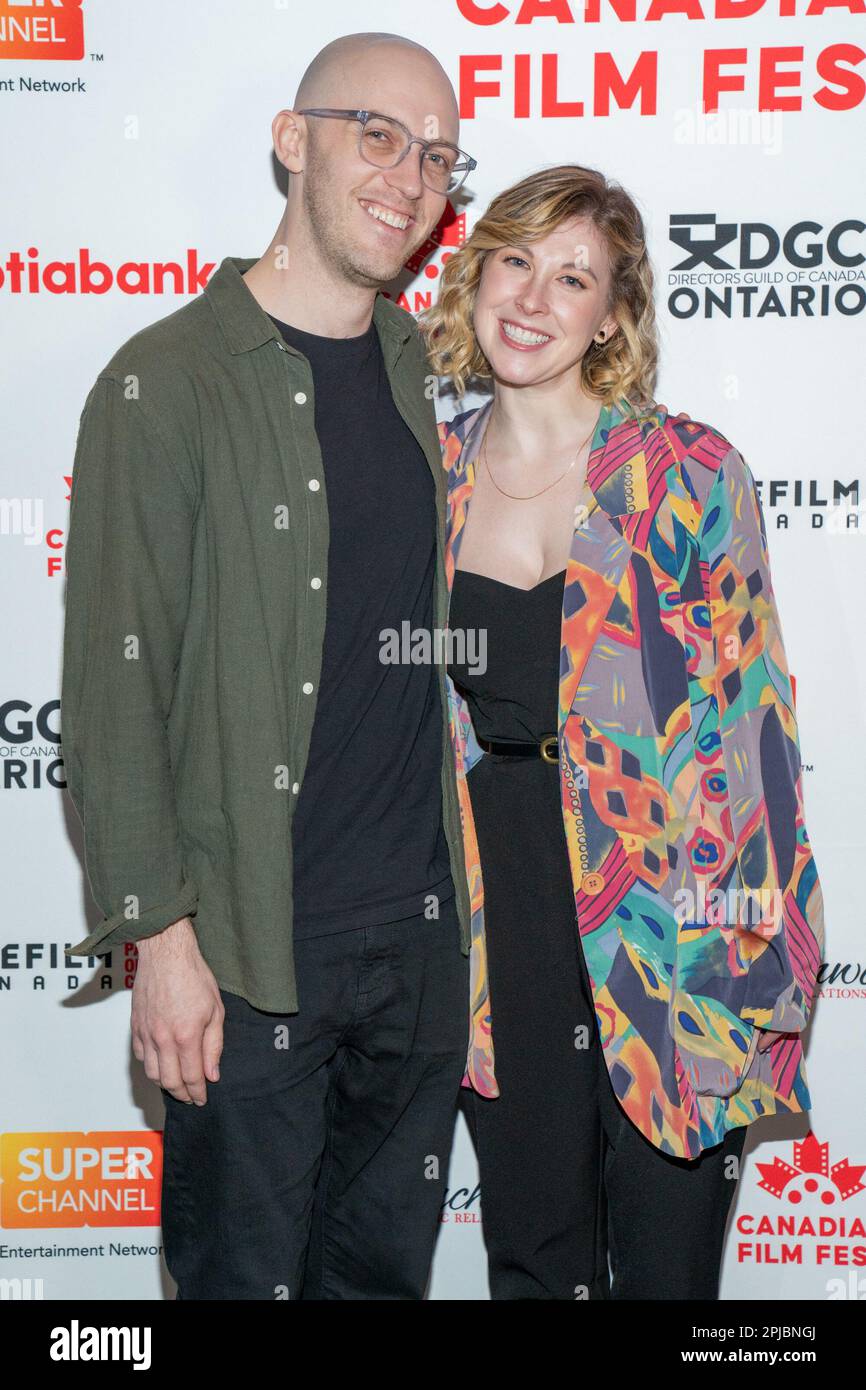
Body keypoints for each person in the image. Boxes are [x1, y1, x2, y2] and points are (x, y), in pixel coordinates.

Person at [61, 32, 480, 1300]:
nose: (409, 178)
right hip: (248, 952)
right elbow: (114, 685)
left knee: (377, 1284)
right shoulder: (165, 382)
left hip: (414, 953)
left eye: (439, 156)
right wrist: (161, 940)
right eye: (377, 134)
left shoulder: (421, 372)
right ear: (293, 143)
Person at [420, 164, 825, 1300]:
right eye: (514, 261)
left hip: (667, 915)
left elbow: (754, 740)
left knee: (665, 1264)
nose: (533, 299)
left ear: (612, 314)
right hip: (494, 915)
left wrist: (749, 962)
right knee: (531, 1254)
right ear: (475, 271)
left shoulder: (688, 473)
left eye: (572, 277)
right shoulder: (429, 474)